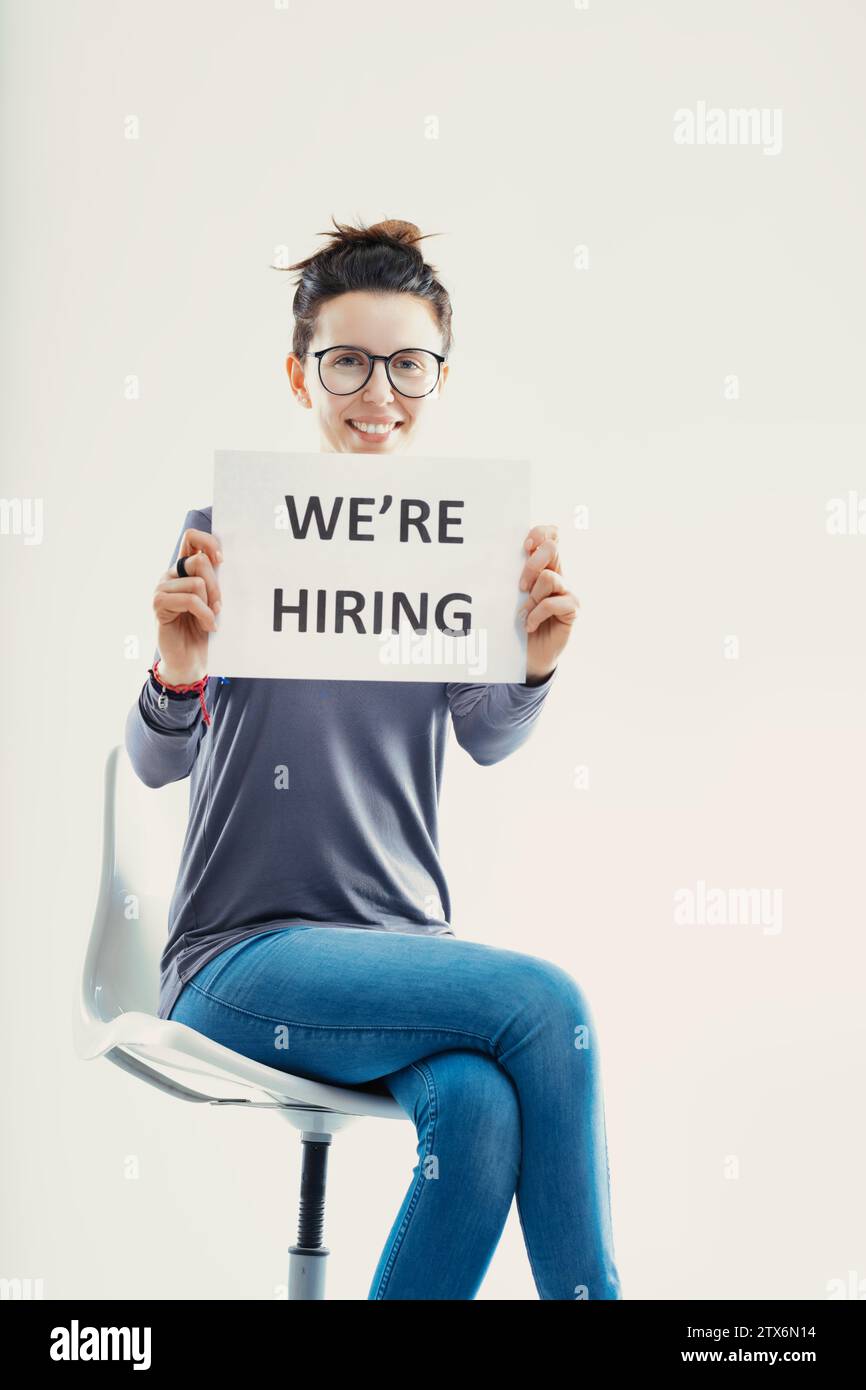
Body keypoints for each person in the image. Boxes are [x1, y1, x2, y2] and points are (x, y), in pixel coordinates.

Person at [125, 216, 622, 1300]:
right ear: (300, 376)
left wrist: (531, 665)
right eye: (346, 361)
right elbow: (154, 763)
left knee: (483, 1109)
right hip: (239, 960)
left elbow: (486, 735)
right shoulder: (227, 532)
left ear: (439, 377)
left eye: (408, 364)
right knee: (546, 1003)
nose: (377, 392)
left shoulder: (459, 547)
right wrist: (176, 671)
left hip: (402, 950)